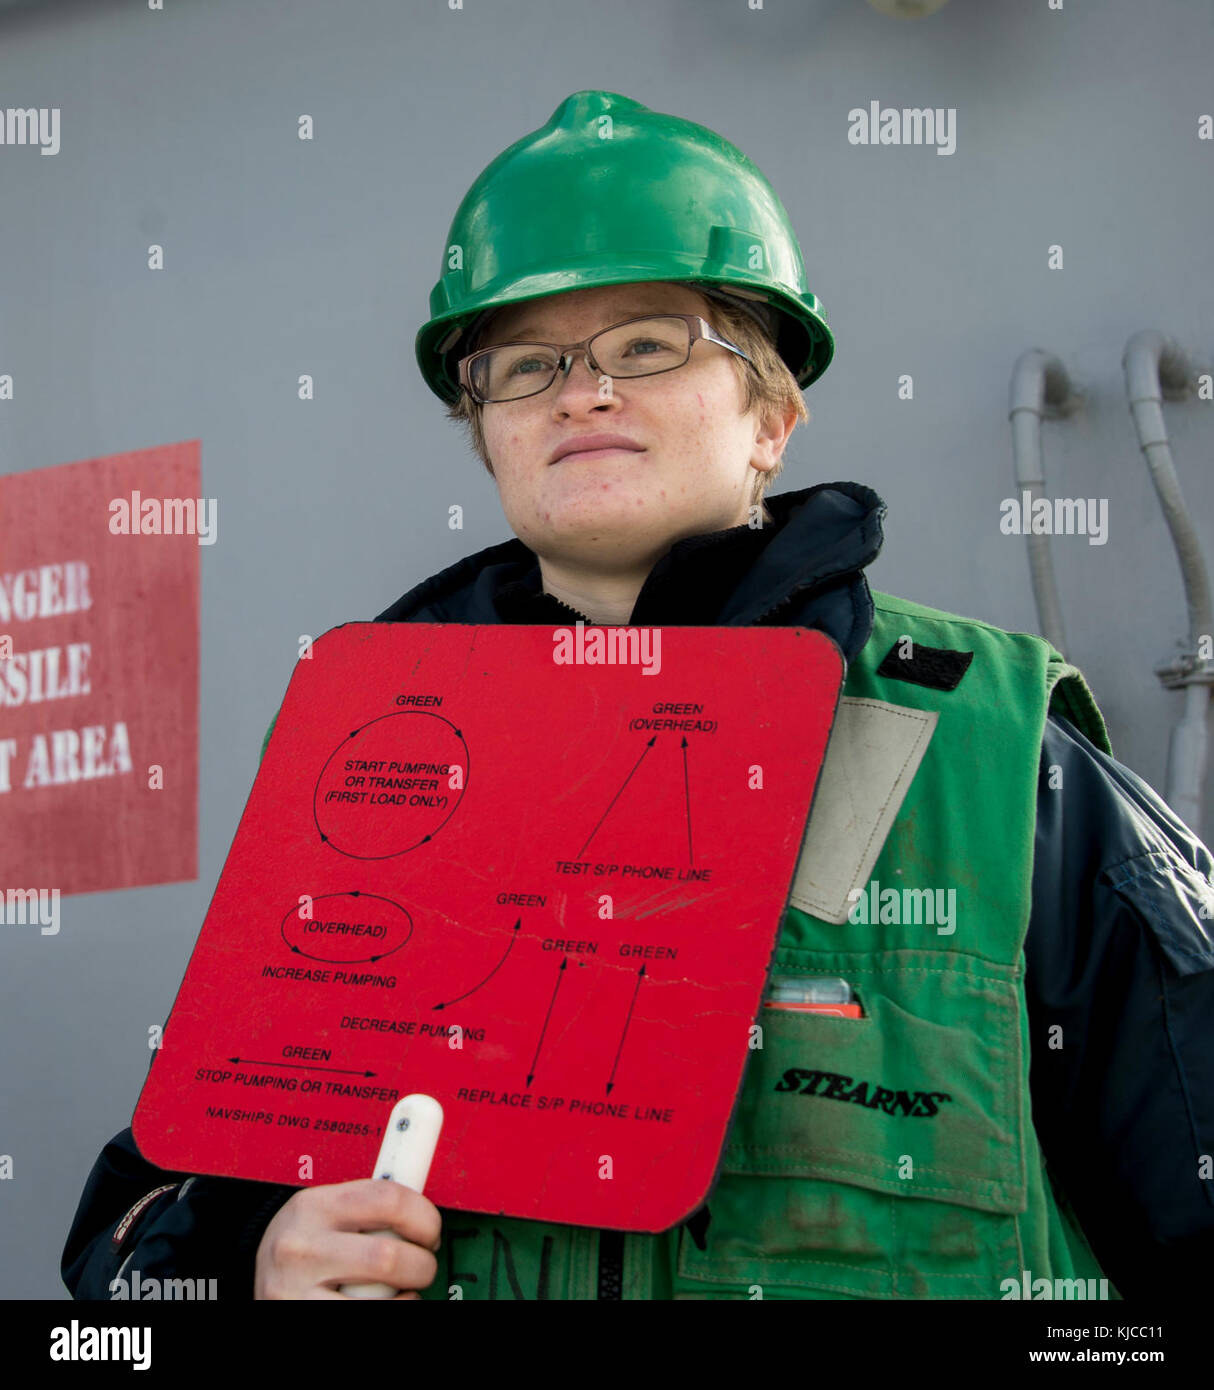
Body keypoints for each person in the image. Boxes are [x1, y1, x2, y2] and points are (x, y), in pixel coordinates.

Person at [62, 90, 1214, 1301]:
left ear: (769, 413)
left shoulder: (999, 758)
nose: (582, 393)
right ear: (488, 434)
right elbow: (133, 1248)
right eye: (525, 366)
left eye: (648, 345)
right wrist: (249, 1274)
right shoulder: (365, 770)